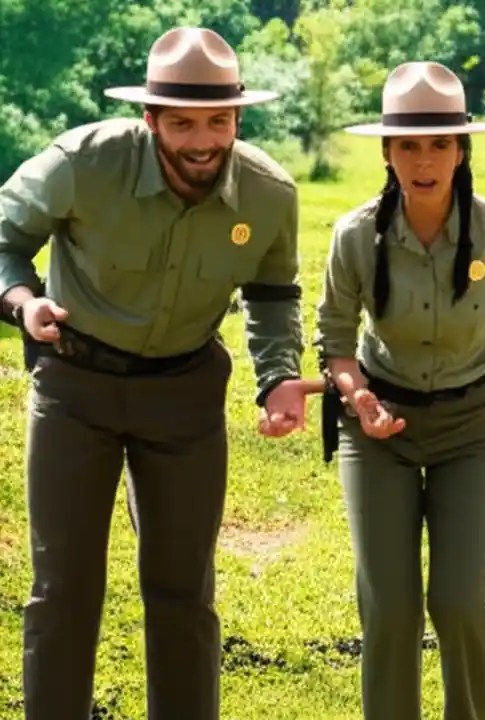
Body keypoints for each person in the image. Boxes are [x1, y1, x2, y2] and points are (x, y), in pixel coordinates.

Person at [0, 27, 309, 720]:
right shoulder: (80, 164)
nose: (203, 141)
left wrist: (278, 375)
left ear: (238, 118)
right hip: (75, 386)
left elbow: (272, 292)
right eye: (182, 124)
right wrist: (22, 302)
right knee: (63, 589)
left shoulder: (268, 194)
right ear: (149, 119)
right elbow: (4, 238)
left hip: (185, 396)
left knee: (183, 591)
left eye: (218, 122)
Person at [312, 60, 485, 720]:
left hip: (470, 428)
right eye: (409, 145)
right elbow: (335, 339)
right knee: (389, 607)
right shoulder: (354, 236)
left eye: (440, 143)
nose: (424, 160)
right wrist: (358, 398)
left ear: (462, 150)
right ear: (386, 152)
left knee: (459, 602)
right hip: (377, 429)